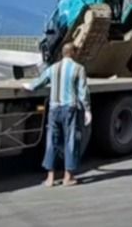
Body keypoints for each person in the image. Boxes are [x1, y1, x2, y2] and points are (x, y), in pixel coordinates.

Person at [25, 42, 91, 186]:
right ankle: (68, 177)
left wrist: (28, 86)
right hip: (70, 109)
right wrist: (87, 110)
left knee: (52, 141)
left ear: (62, 53)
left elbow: (40, 82)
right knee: (70, 141)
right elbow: (83, 92)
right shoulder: (79, 68)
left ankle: (50, 178)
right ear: (73, 53)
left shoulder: (53, 68)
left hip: (54, 109)